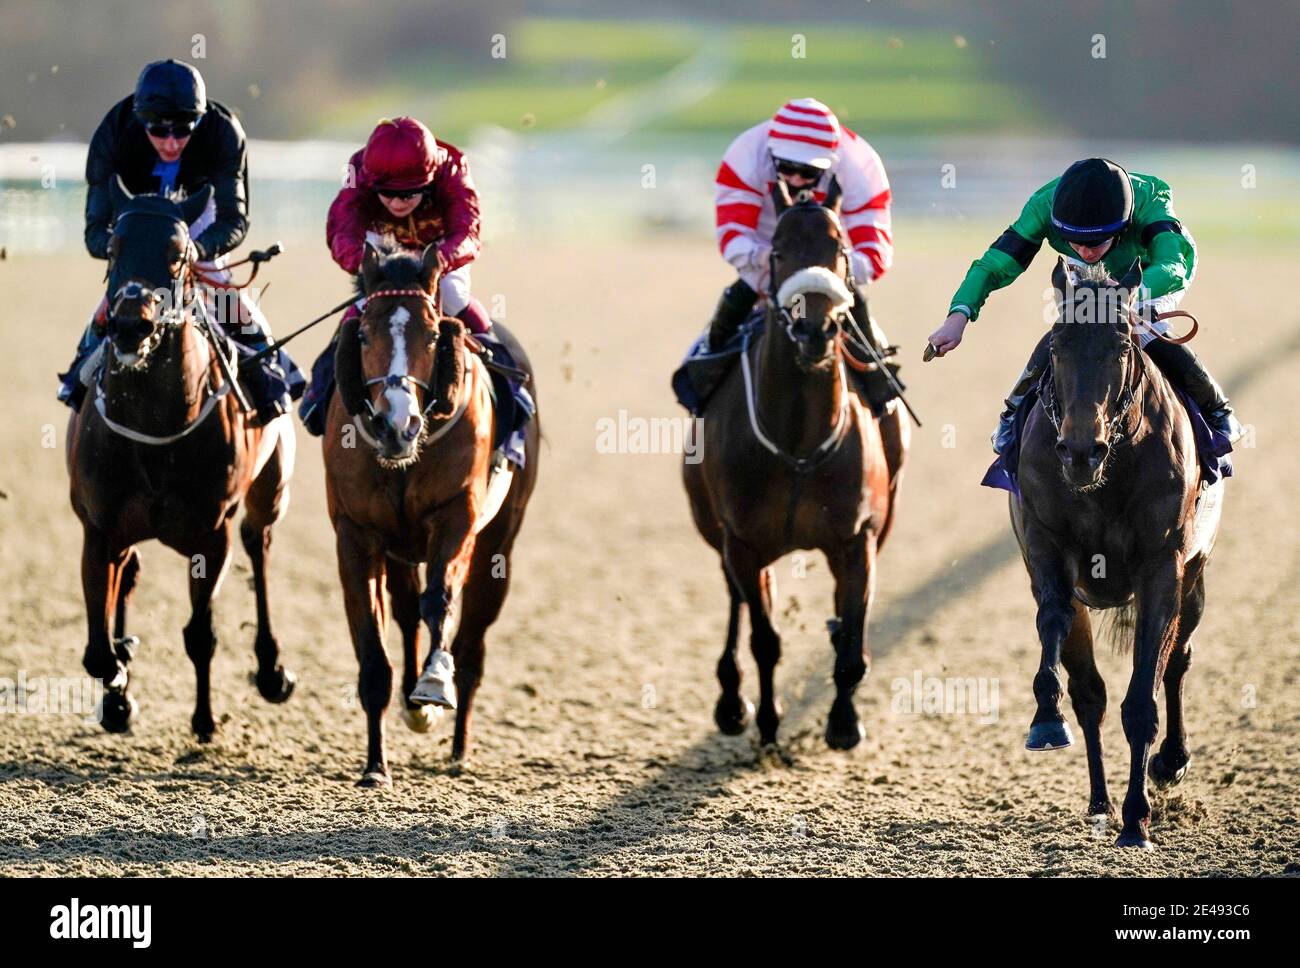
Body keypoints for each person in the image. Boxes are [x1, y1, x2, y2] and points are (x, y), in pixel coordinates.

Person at [928, 157, 1241, 453]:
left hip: (1150, 269)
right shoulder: (1043, 206)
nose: (1086, 251)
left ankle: (1217, 408)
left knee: (1145, 330)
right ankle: (1013, 411)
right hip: (1090, 275)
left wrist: (1126, 294)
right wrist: (959, 315)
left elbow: (1172, 265)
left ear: (1122, 226)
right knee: (1072, 330)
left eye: (1096, 243)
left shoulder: (1151, 199)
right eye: (1075, 242)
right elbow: (993, 265)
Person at [60, 58, 300, 425]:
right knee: (115, 301)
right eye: (158, 130)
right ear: (141, 120)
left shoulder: (222, 131)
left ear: (199, 120)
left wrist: (194, 251)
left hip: (197, 222)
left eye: (184, 130)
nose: (171, 143)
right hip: (137, 224)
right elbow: (95, 231)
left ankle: (270, 374)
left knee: (225, 294)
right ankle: (79, 375)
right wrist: (124, 251)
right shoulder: (115, 130)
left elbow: (233, 220)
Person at [299, 116, 490, 434]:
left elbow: (468, 232)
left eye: (410, 193)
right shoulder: (357, 171)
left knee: (454, 298)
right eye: (386, 193)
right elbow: (342, 228)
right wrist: (365, 264)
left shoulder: (452, 168)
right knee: (364, 312)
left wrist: (437, 261)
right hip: (384, 251)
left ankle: (506, 376)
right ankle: (319, 393)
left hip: (437, 251)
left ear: (429, 179)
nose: (397, 202)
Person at [707, 97, 899, 405]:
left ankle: (882, 390)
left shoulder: (860, 167)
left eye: (809, 172)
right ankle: (705, 375)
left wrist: (830, 272)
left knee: (870, 342)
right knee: (727, 317)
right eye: (787, 168)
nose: (796, 179)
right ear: (772, 155)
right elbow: (733, 238)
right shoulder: (745, 156)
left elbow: (875, 254)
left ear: (831, 162)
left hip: (831, 264)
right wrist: (774, 263)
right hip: (767, 257)